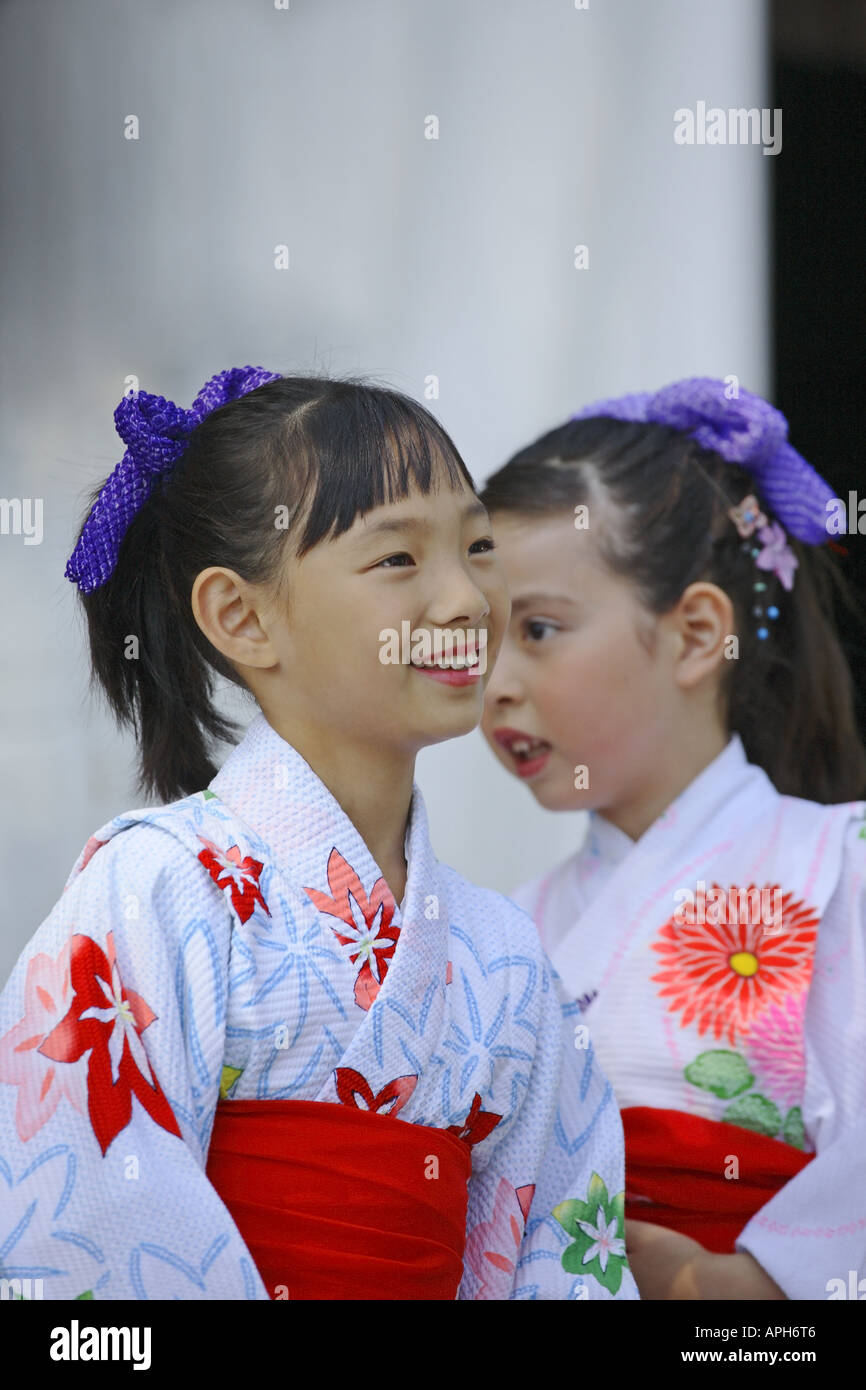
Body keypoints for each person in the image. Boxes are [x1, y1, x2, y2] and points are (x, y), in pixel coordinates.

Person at [0, 367, 637, 1302]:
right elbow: (84, 1229)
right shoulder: (153, 891)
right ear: (241, 616)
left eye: (479, 546)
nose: (466, 600)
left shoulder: (504, 958)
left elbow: (565, 1256)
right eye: (398, 560)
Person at [479, 377, 866, 1300]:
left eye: (536, 629)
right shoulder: (497, 930)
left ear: (696, 635)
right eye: (480, 635)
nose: (494, 682)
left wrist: (748, 1288)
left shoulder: (839, 871)